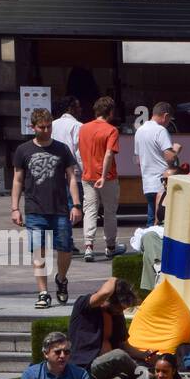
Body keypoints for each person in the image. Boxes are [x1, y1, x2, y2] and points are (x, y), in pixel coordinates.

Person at [12, 107, 83, 309]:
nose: (46, 130)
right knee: (38, 252)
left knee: (65, 248)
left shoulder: (61, 149)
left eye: (49, 126)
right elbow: (18, 180)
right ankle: (43, 292)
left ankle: (61, 278)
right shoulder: (23, 150)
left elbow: (71, 178)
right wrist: (14, 207)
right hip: (34, 208)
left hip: (60, 207)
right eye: (42, 127)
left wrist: (76, 204)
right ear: (32, 127)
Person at [68, 277, 149, 379]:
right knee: (119, 355)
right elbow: (104, 292)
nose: (120, 311)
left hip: (109, 363)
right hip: (86, 366)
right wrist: (113, 279)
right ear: (109, 299)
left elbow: (124, 345)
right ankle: (144, 374)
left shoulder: (116, 315)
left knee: (138, 360)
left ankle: (120, 375)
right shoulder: (83, 305)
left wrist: (144, 355)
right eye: (119, 307)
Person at [77, 96, 125, 262]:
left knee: (90, 210)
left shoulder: (83, 128)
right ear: (110, 112)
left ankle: (88, 246)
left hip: (87, 175)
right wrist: (103, 176)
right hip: (107, 177)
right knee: (110, 212)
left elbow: (79, 151)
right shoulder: (111, 130)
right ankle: (110, 246)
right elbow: (109, 154)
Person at [134, 102, 181, 227]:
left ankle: (149, 244)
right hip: (162, 183)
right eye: (169, 119)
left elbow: (137, 160)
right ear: (165, 116)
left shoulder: (140, 131)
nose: (168, 122)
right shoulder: (161, 131)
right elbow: (169, 157)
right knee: (163, 220)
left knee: (151, 218)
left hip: (147, 182)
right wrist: (176, 149)